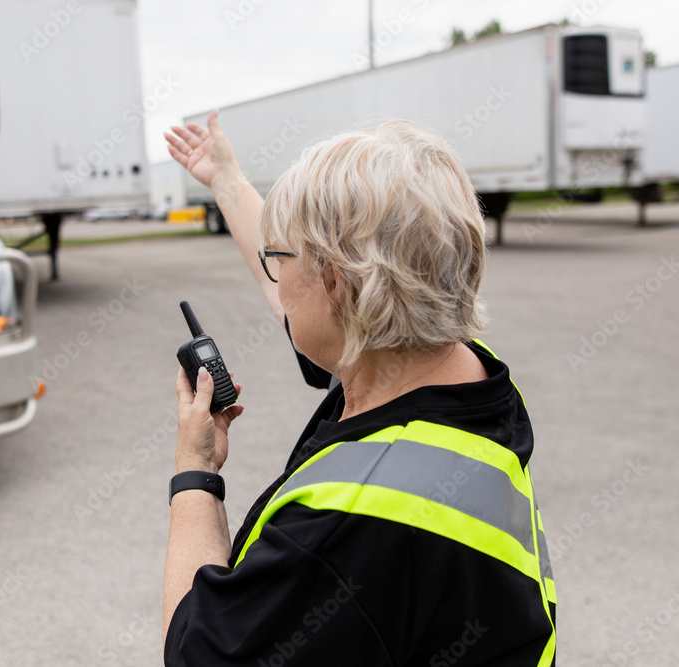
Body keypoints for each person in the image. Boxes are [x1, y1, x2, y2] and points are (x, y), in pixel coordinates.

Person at [160, 111, 556, 666]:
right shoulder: (459, 374)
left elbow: (193, 652)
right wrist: (226, 178)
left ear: (335, 285)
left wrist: (194, 472)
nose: (274, 280)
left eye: (278, 261)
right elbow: (306, 313)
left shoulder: (349, 521)